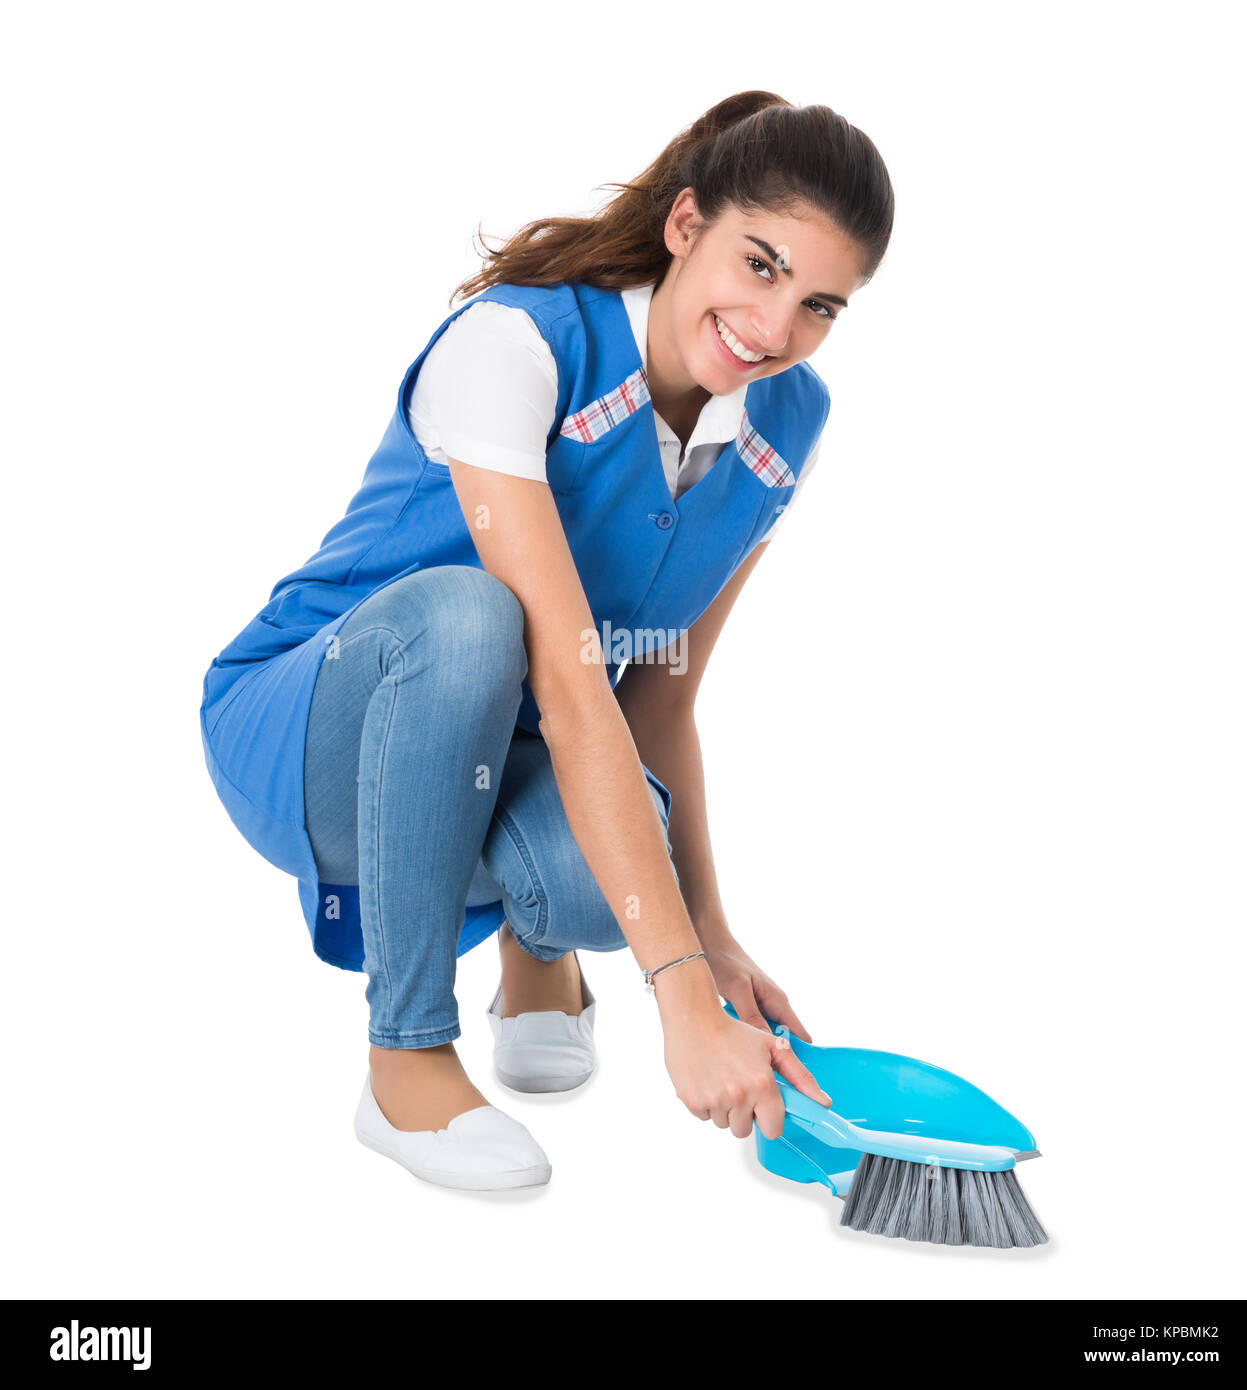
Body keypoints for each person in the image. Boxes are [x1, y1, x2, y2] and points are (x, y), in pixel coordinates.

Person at [198, 89, 894, 1191]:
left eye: (820, 304)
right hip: (310, 727)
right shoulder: (517, 344)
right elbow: (573, 688)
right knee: (478, 617)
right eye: (758, 265)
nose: (776, 330)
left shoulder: (786, 424)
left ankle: (543, 954)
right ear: (685, 226)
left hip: (511, 741)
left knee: (608, 867)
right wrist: (672, 993)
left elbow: (655, 696)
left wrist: (709, 944)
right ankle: (406, 1061)